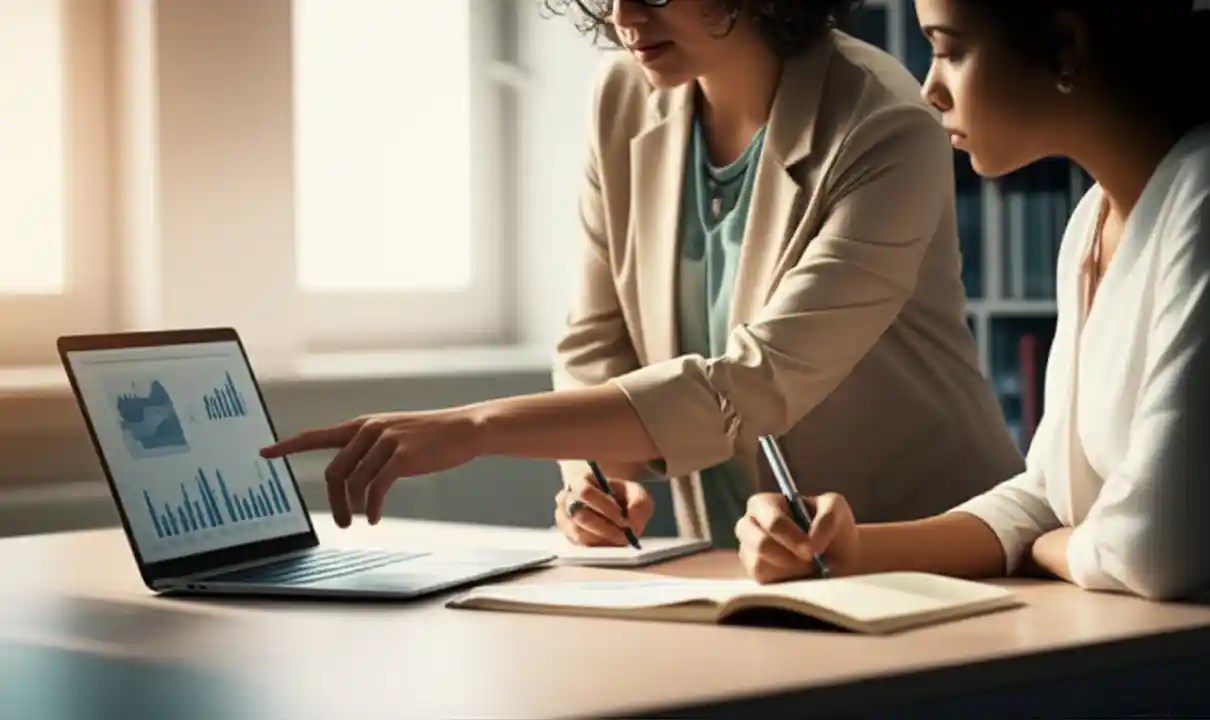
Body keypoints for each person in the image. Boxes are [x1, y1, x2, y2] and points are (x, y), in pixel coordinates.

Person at [261, 0, 1023, 549]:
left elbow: (756, 383)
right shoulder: (625, 94)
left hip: (925, 552)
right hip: (739, 564)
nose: (624, 17)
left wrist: (477, 428)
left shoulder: (885, 123)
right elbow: (597, 340)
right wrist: (596, 476)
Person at [734, 0, 1210, 601]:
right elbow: (1046, 496)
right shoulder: (1090, 222)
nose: (928, 91)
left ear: (1065, 47)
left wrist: (1051, 546)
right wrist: (846, 547)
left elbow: (1154, 552)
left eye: (949, 50)